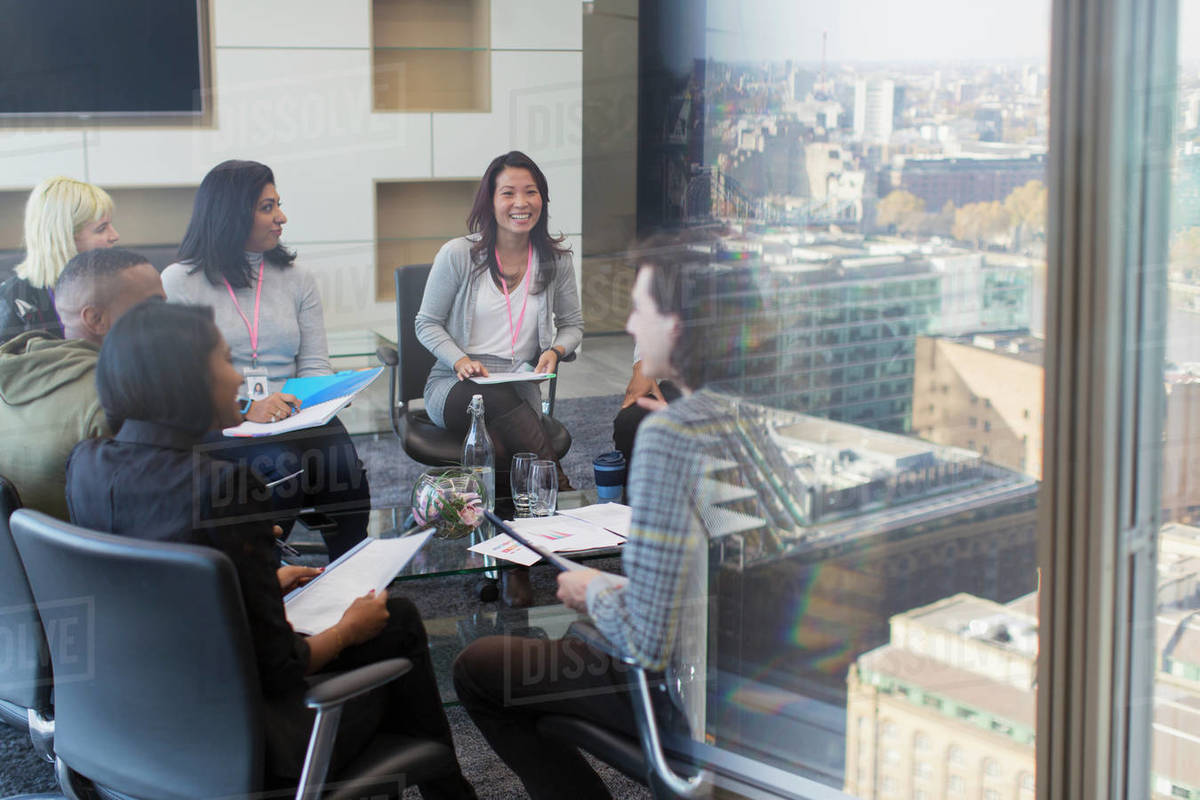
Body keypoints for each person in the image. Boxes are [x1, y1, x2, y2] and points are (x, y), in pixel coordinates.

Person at [65, 302, 477, 798]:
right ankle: (448, 789)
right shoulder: (224, 487)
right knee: (394, 620)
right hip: (243, 741)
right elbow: (280, 666)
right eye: (222, 360)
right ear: (185, 380)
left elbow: (144, 581)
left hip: (124, 722)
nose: (238, 378)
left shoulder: (86, 465)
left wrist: (241, 583)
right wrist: (348, 631)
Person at [453, 235, 767, 799]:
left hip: (684, 697)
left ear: (675, 326)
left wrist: (592, 589)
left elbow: (648, 638)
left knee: (480, 669)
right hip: (759, 701)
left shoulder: (674, 436)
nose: (627, 325)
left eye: (638, 309)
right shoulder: (763, 417)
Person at [162, 159, 368, 561]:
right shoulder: (179, 281)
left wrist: (326, 397)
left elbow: (313, 364)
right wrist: (246, 408)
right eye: (267, 207)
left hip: (290, 414)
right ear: (232, 213)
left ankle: (354, 568)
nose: (282, 218)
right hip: (219, 419)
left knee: (339, 459)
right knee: (282, 465)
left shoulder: (297, 278)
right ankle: (262, 572)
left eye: (278, 205)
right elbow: (181, 382)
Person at [414, 150, 583, 485]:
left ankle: (510, 520)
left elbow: (572, 325)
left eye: (530, 191)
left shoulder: (555, 261)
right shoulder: (458, 255)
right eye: (508, 193)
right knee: (488, 398)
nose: (521, 202)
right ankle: (561, 490)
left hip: (520, 388)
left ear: (542, 200)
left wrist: (555, 351)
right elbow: (426, 323)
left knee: (502, 446)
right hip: (455, 384)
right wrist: (460, 359)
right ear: (489, 201)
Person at [0, 247, 163, 519]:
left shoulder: (17, 371)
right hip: (102, 557)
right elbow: (154, 519)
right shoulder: (116, 403)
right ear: (96, 319)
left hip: (25, 558)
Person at [0, 176, 121, 344]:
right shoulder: (12, 301)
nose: (115, 236)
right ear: (64, 238)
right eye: (101, 229)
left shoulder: (117, 286)